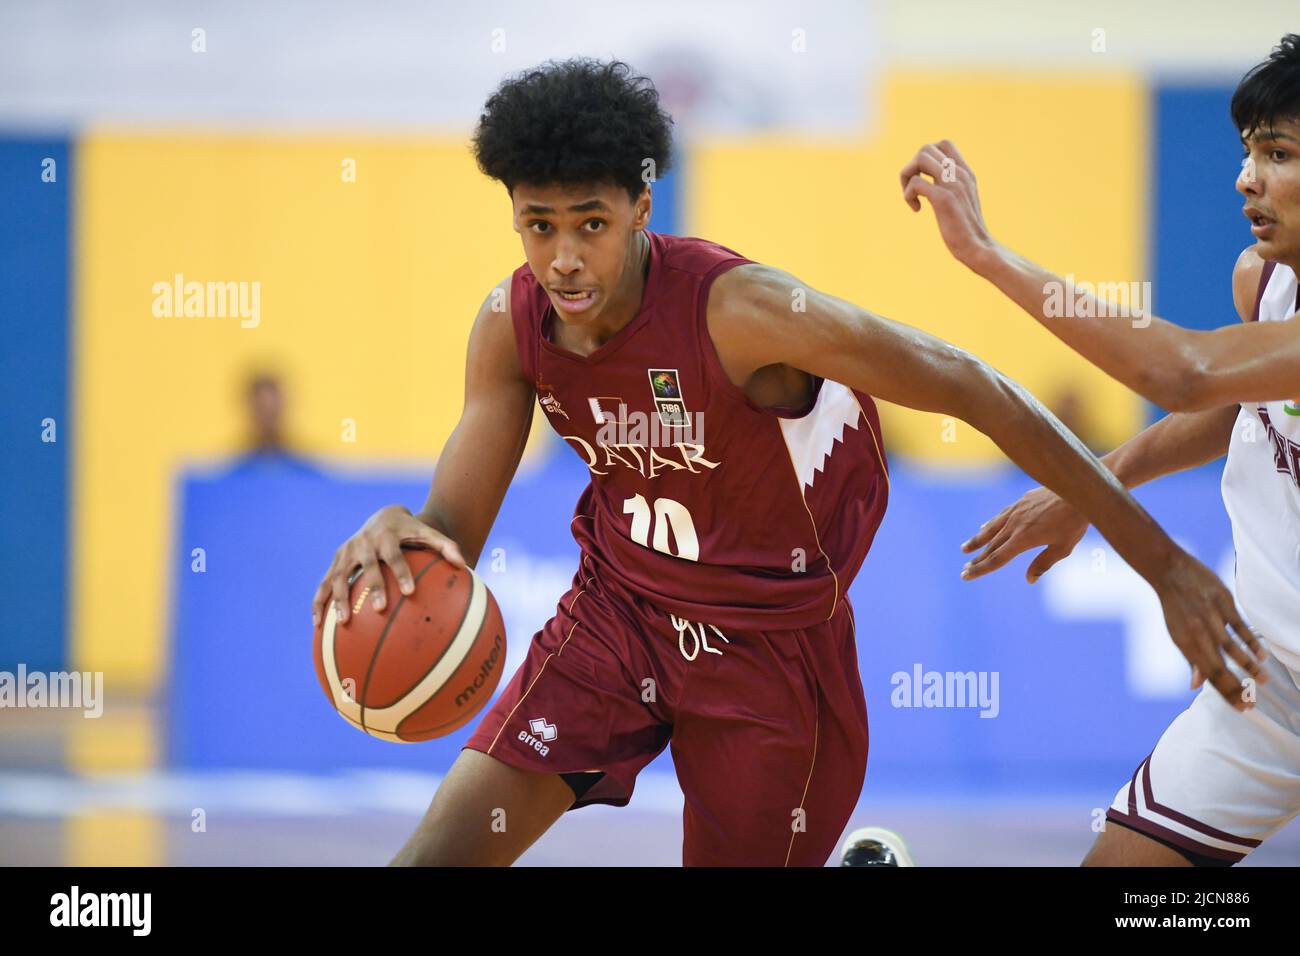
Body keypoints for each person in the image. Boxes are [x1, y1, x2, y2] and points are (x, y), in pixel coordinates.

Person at [311, 57, 1262, 867]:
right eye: (539, 224)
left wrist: (1165, 564)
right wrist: (412, 532)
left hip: (770, 654)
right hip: (617, 620)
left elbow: (973, 384)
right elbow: (453, 526)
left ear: (643, 206)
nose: (562, 258)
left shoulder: (745, 312)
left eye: (590, 223)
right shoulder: (508, 325)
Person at [901, 34, 1300, 867]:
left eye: (1279, 154)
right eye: (1247, 153)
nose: (1246, 179)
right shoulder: (1263, 282)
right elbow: (1244, 408)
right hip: (1270, 683)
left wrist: (987, 255)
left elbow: (1183, 373)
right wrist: (1092, 484)